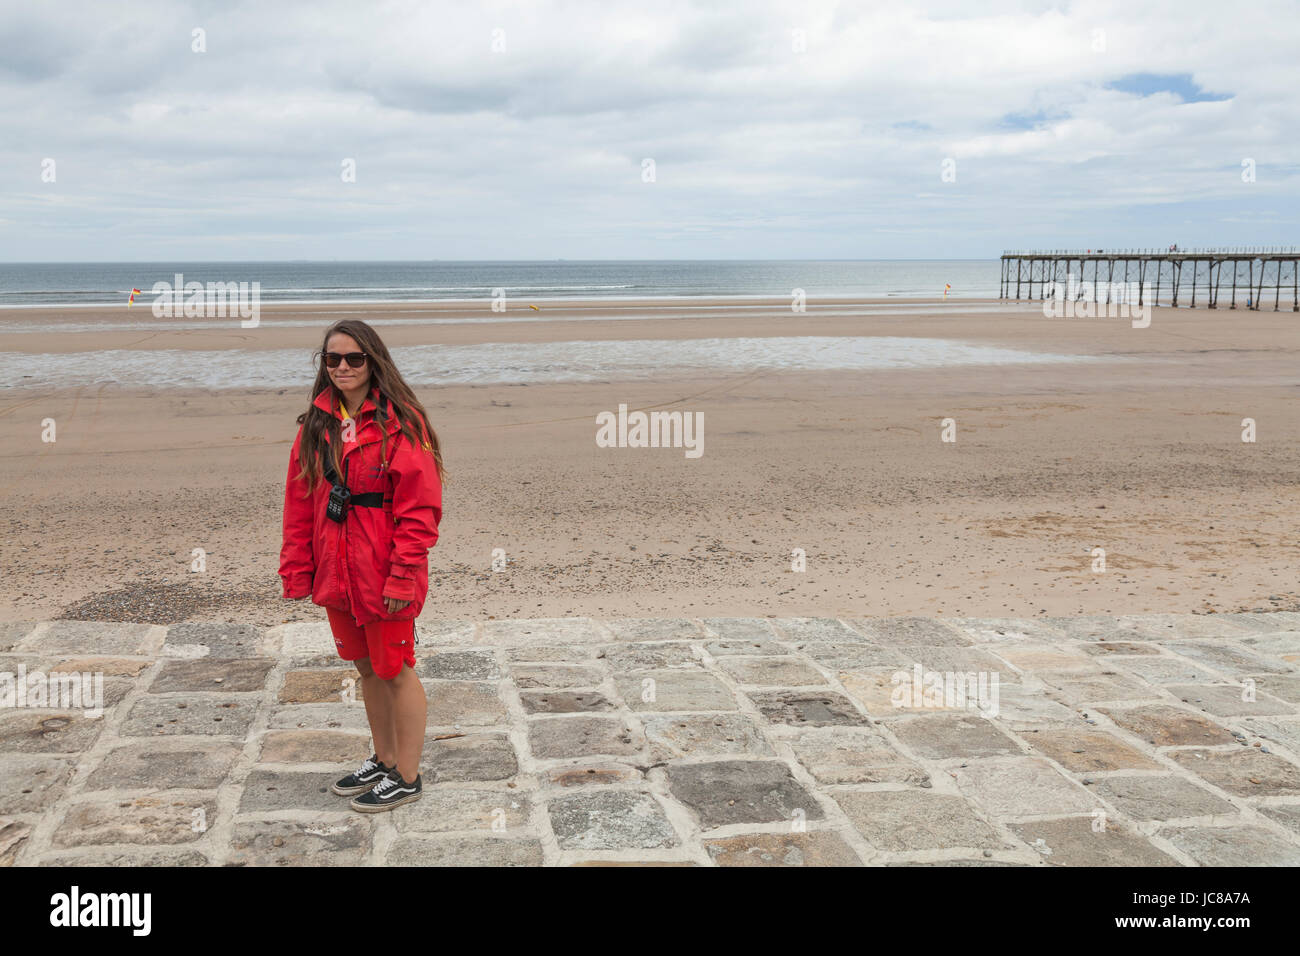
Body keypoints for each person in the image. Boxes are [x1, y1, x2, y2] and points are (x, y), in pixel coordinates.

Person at [279, 319, 445, 812]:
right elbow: (300, 501)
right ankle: (385, 758)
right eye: (333, 359)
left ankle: (408, 777)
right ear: (323, 365)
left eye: (354, 358)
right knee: (366, 668)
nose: (343, 367)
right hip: (337, 570)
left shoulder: (403, 423)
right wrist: (297, 569)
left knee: (395, 668)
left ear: (374, 362)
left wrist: (402, 573)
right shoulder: (316, 424)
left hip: (384, 569)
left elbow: (421, 511)